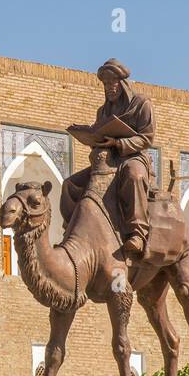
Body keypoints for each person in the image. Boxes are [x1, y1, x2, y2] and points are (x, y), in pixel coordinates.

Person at [63, 58, 156, 255]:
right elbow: (100, 134)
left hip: (133, 157)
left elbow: (146, 139)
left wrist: (118, 143)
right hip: (109, 160)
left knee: (134, 176)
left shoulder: (141, 104)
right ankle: (71, 232)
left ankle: (137, 234)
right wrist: (91, 138)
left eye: (112, 83)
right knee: (70, 184)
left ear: (122, 83)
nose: (108, 88)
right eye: (105, 84)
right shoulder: (103, 111)